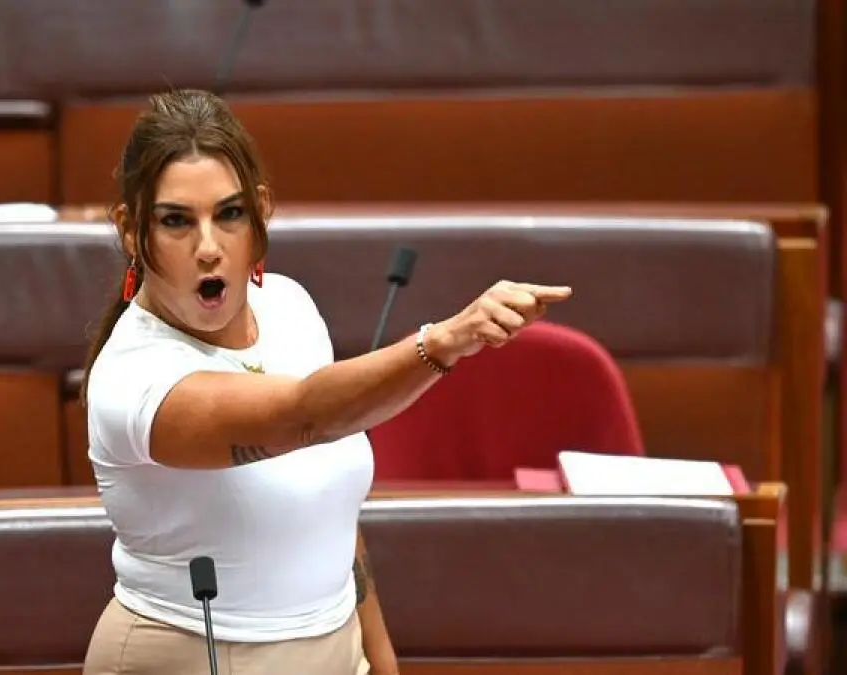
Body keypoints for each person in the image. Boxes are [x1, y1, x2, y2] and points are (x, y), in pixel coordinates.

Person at [80, 89, 572, 675]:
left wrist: (379, 658)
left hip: (337, 644)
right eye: (176, 221)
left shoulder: (289, 306)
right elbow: (302, 417)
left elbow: (333, 515)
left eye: (229, 214)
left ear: (261, 212)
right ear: (130, 230)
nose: (208, 248)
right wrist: (441, 343)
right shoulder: (131, 376)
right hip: (190, 655)